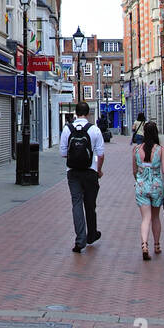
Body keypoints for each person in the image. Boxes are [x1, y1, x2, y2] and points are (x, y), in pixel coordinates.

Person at [59, 100, 105, 253]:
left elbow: (63, 153)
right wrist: (99, 169)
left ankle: (80, 240)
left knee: (76, 204)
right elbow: (101, 154)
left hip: (72, 172)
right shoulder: (95, 130)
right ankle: (92, 234)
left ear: (76, 113)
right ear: (87, 113)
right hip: (90, 171)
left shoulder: (67, 130)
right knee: (90, 204)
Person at [133, 121, 164, 260]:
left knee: (145, 218)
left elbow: (134, 170)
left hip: (141, 186)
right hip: (156, 187)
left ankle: (144, 245)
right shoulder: (161, 150)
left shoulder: (136, 150)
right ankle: (157, 245)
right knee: (155, 217)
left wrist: (141, 177)